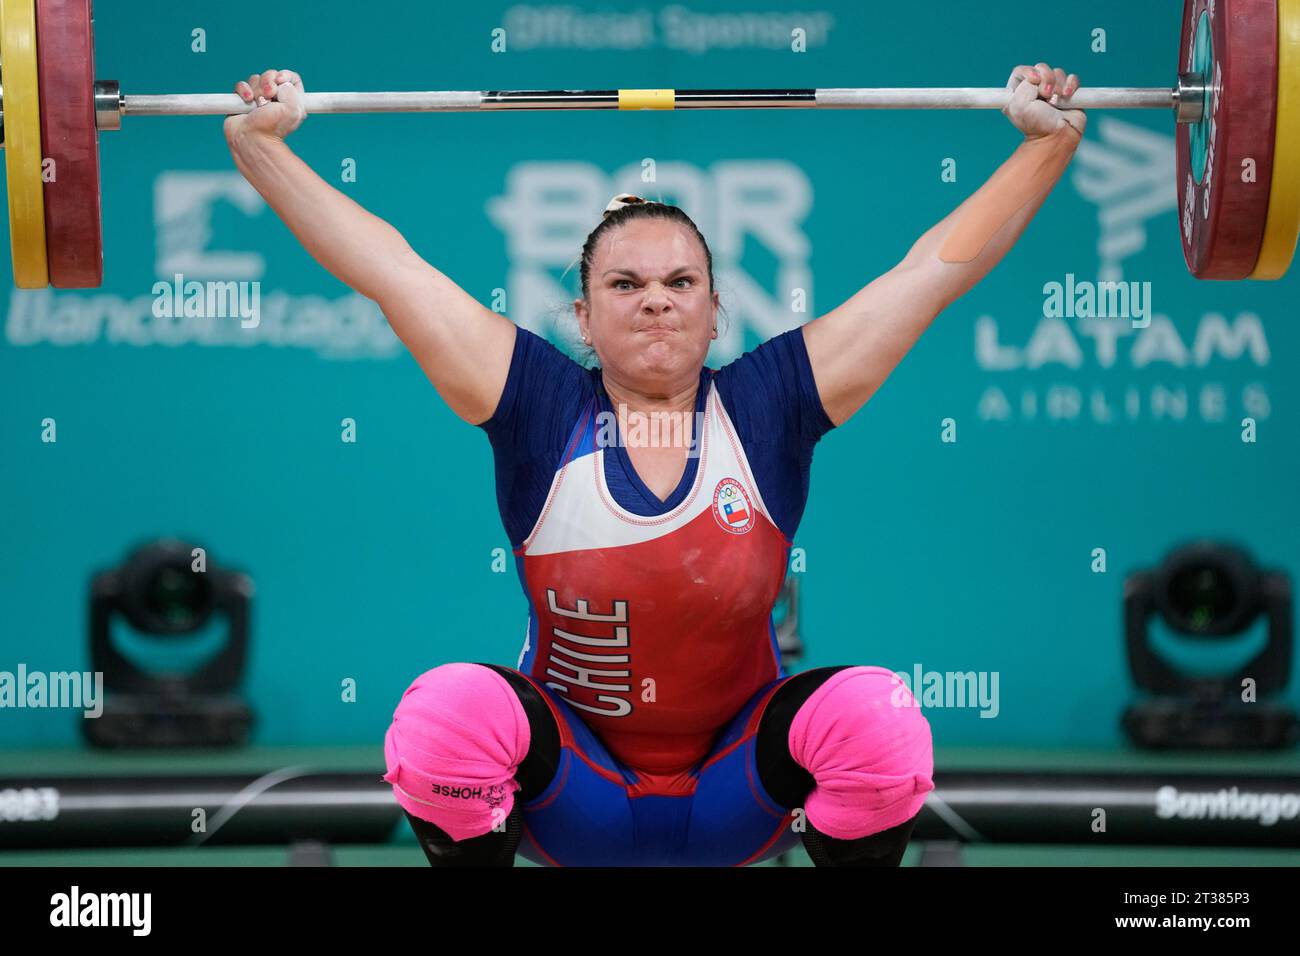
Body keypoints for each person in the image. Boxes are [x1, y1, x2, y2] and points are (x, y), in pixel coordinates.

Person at [225, 62, 1086, 866]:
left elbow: (928, 275)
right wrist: (263, 151)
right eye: (624, 284)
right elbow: (390, 270)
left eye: (681, 283)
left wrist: (1044, 147)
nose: (656, 301)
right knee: (448, 718)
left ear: (715, 313)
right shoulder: (536, 405)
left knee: (877, 723)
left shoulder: (769, 403)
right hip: (572, 795)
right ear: (583, 316)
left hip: (739, 791)